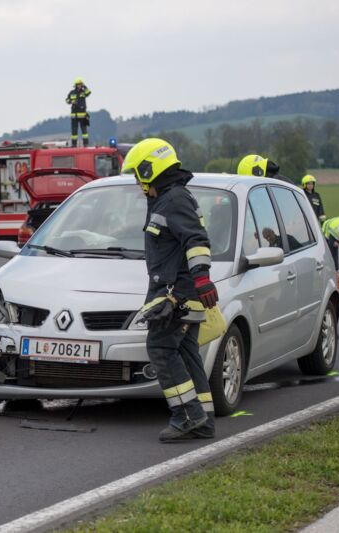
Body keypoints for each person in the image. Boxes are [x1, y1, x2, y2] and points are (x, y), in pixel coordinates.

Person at [123, 138, 218, 442]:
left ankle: (186, 415)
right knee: (186, 351)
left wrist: (201, 278)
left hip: (180, 293)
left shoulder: (174, 199)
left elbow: (196, 240)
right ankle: (203, 418)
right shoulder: (169, 198)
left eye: (139, 174)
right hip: (183, 290)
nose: (138, 182)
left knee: (161, 348)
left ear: (151, 170)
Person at [66, 77, 91, 147]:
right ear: (76, 85)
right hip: (74, 116)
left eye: (81, 84)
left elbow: (89, 92)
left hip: (83, 116)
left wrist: (84, 86)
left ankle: (85, 144)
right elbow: (66, 100)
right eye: (78, 84)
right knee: (74, 132)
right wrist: (72, 101)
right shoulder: (72, 92)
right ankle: (74, 144)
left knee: (84, 132)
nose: (80, 85)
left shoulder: (83, 92)